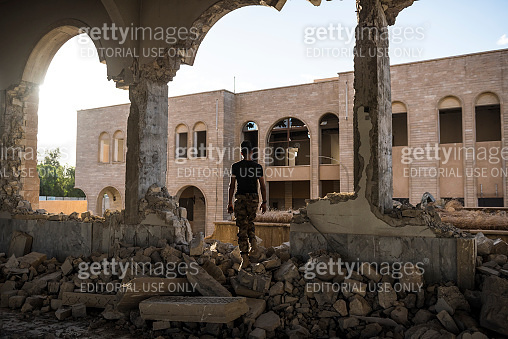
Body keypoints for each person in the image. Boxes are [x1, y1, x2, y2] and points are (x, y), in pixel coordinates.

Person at [228, 140, 267, 268]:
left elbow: (232, 186)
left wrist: (230, 203)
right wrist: (264, 202)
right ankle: (253, 243)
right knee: (250, 222)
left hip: (240, 198)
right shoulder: (258, 167)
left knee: (242, 227)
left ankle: (245, 257)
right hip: (253, 198)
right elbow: (262, 187)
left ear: (241, 153)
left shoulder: (236, 167)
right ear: (251, 152)